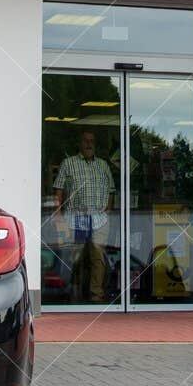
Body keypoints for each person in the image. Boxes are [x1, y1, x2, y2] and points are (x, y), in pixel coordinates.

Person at [52, 130, 116, 303]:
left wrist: (108, 211)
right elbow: (58, 192)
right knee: (76, 258)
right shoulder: (68, 163)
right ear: (79, 143)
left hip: (99, 218)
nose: (89, 144)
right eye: (85, 140)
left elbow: (111, 190)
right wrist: (58, 217)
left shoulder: (103, 165)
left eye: (92, 141)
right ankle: (75, 294)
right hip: (76, 217)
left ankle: (96, 295)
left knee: (98, 258)